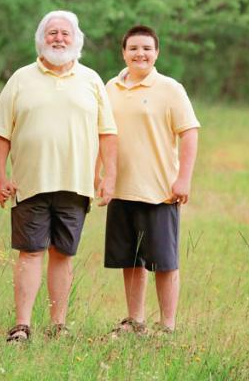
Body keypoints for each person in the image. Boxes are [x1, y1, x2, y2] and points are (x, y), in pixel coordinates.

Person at [0, 10, 118, 342]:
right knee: (30, 252)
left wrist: (109, 176)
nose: (58, 38)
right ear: (40, 39)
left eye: (64, 33)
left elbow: (108, 133)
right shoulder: (21, 78)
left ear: (76, 40)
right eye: (51, 33)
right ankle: (22, 325)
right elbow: (1, 133)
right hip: (29, 182)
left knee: (63, 253)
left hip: (76, 183)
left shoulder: (90, 80)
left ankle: (58, 324)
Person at [103, 25, 199, 336]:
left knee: (164, 263)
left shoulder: (170, 89)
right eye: (133, 48)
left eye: (146, 48)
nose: (140, 53)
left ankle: (167, 325)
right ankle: (135, 320)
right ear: (124, 53)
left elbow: (189, 133)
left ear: (156, 53)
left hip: (159, 191)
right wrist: (99, 174)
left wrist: (183, 178)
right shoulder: (110, 88)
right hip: (121, 189)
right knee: (130, 261)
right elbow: (102, 135)